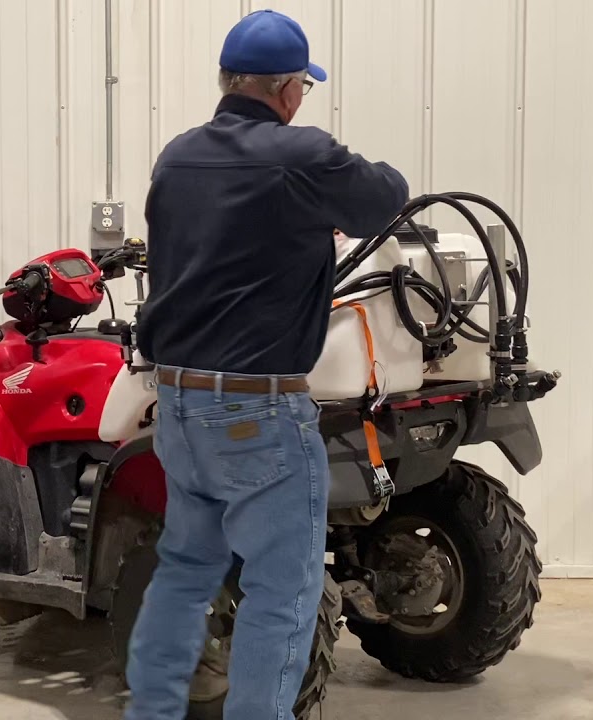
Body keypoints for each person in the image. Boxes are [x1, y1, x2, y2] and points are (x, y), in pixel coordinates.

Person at [126, 9, 409, 720]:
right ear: (288, 91)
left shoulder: (178, 156)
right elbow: (386, 195)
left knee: (186, 573)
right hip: (257, 414)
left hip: (179, 405)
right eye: (302, 90)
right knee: (282, 593)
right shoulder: (301, 156)